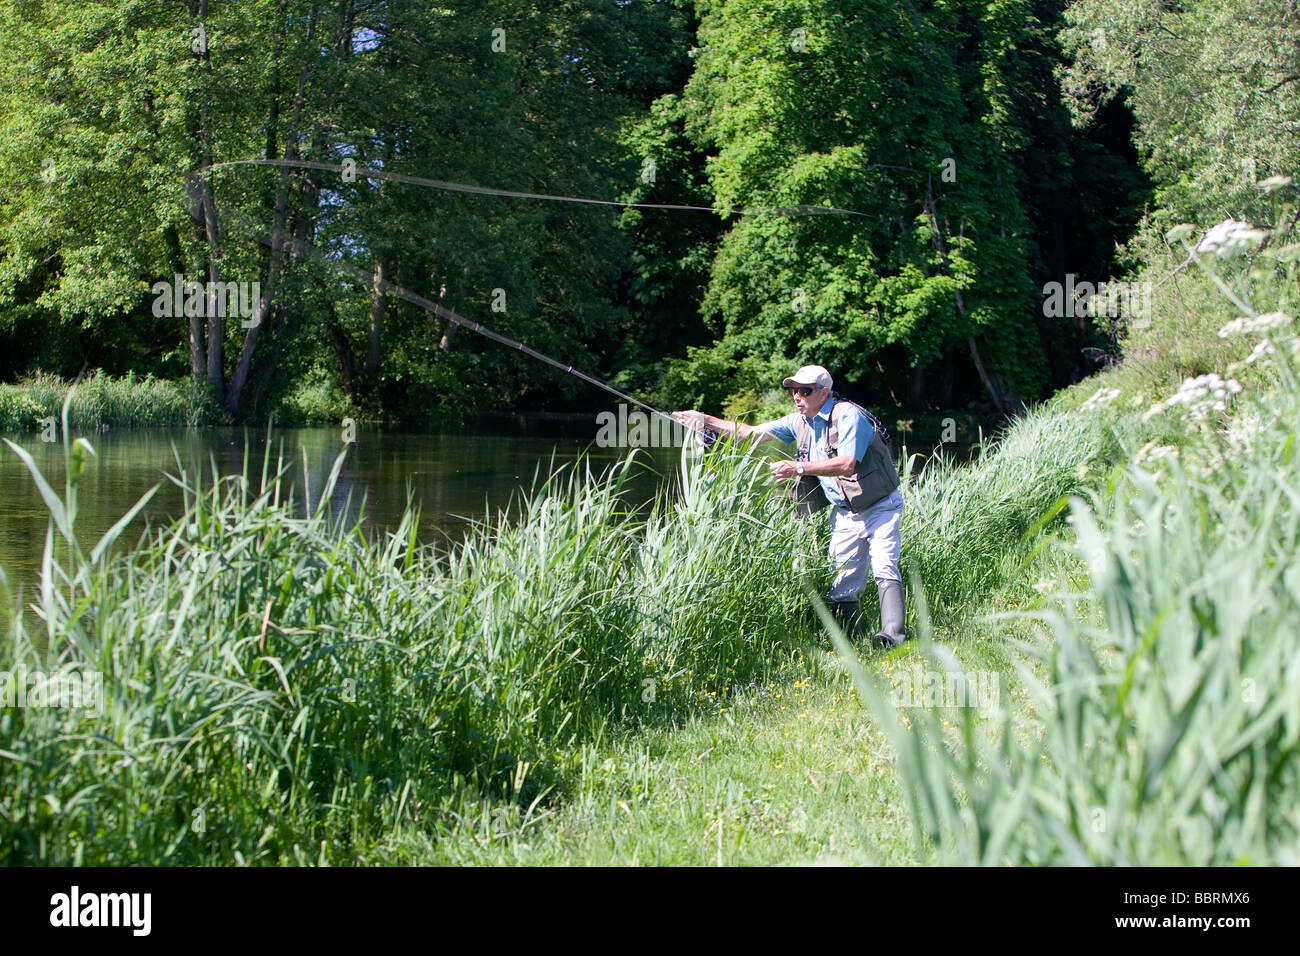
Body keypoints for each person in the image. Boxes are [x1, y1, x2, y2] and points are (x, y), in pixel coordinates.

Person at [674, 364, 907, 649]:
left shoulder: (848, 416)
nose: (797, 396)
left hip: (880, 505)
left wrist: (798, 467)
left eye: (804, 391)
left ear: (824, 393)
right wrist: (705, 420)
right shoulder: (799, 421)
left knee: (885, 566)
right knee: (843, 581)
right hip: (844, 513)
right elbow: (750, 433)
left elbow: (847, 464)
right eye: (793, 390)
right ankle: (853, 642)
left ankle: (893, 639)